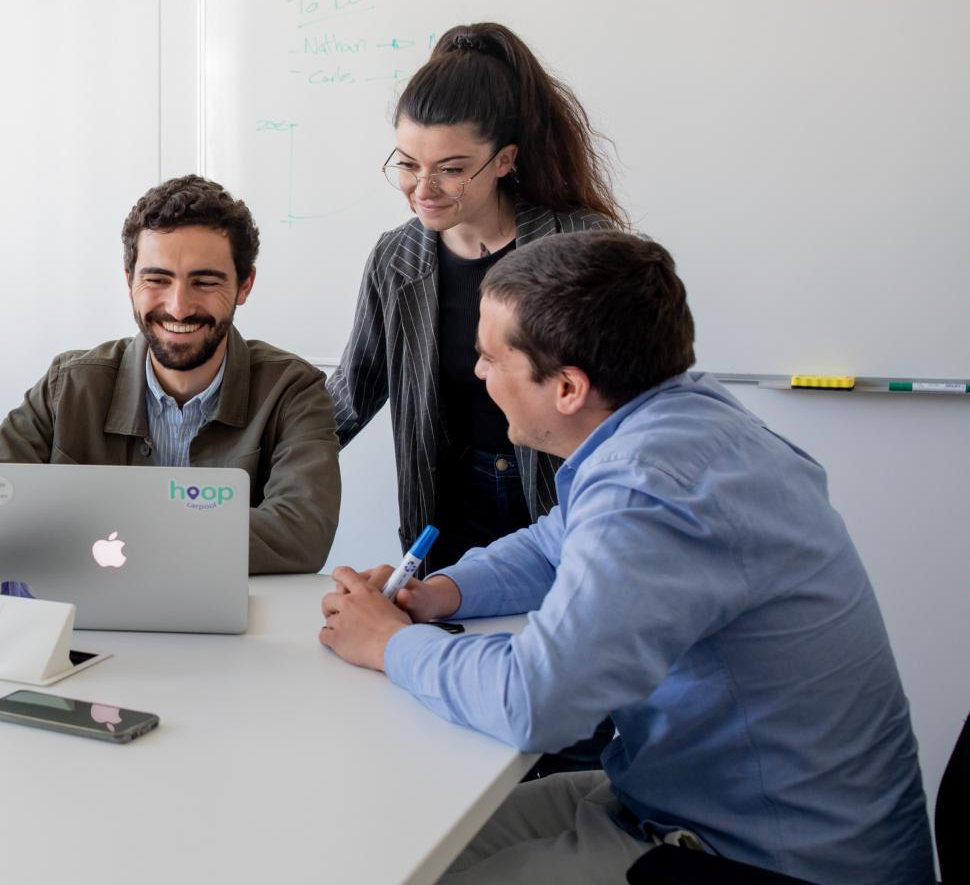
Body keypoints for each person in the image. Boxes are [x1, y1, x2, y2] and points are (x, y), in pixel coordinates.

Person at [318, 230, 934, 885]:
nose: (478, 373)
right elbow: (557, 539)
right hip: (681, 800)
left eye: (490, 358)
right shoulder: (678, 418)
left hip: (764, 859)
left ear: (567, 389)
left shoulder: (651, 488)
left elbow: (534, 699)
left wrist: (389, 645)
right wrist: (441, 591)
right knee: (402, 845)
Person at [0, 174, 340, 574]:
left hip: (235, 632)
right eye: (157, 279)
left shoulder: (292, 390)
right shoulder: (69, 384)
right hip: (88, 622)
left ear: (244, 285)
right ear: (129, 281)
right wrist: (42, 547)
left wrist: (116, 540)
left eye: (205, 282)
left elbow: (301, 532)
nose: (178, 306)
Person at [329, 21, 624, 573]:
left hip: (567, 500)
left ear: (506, 160)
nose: (423, 189)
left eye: (452, 170)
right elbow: (350, 397)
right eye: (408, 165)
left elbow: (631, 404)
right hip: (447, 508)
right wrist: (245, 481)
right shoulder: (396, 261)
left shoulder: (582, 247)